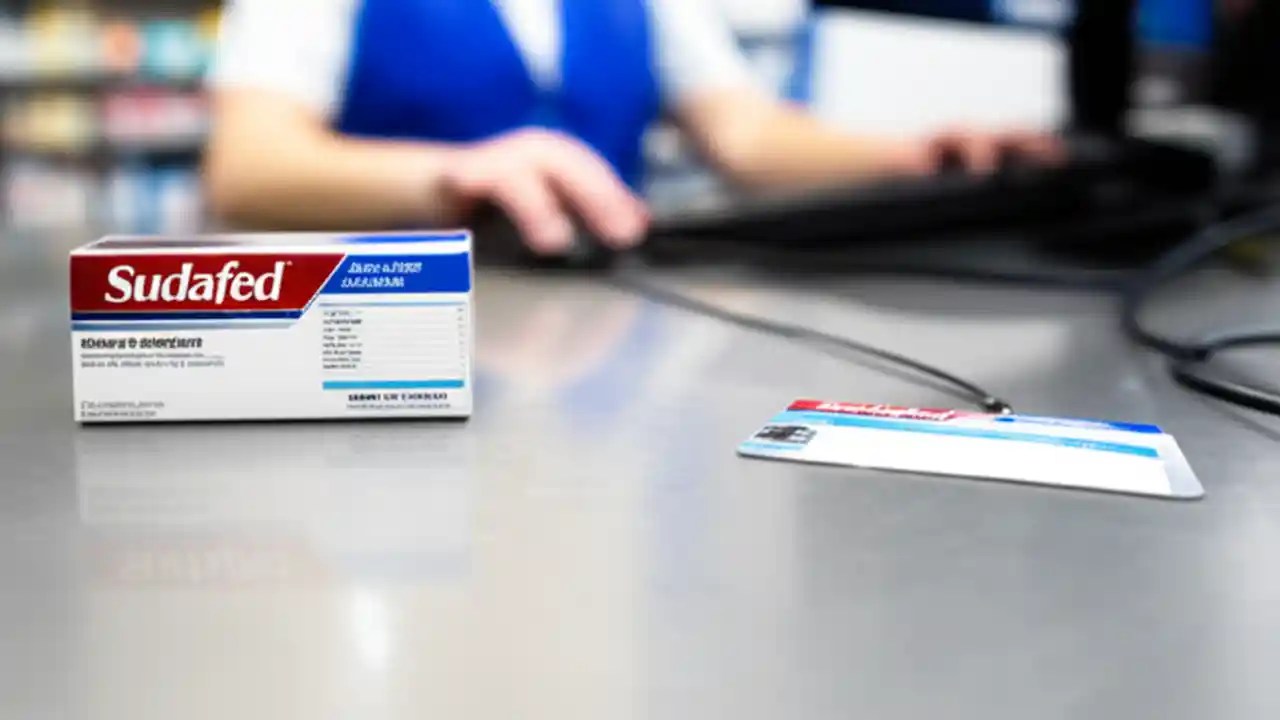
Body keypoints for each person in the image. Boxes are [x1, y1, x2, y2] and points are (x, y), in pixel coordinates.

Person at [206, 0, 1058, 255]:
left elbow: (748, 139)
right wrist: (445, 176)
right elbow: (248, 165)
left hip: (607, 343)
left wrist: (917, 159)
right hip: (389, 336)